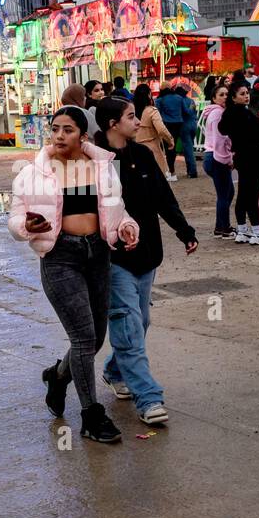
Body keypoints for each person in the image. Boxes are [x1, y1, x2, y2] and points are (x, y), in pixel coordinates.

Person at [9, 106, 138, 443]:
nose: (59, 135)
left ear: (82, 133)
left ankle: (58, 376)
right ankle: (92, 416)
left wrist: (126, 226)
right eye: (55, 129)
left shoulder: (101, 166)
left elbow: (116, 209)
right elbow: (15, 218)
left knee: (96, 338)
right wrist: (26, 225)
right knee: (82, 338)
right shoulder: (33, 171)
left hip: (97, 255)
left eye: (67, 129)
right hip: (60, 258)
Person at [93, 97, 196, 424]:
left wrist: (184, 230)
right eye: (131, 117)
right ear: (113, 124)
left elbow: (162, 197)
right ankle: (148, 398)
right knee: (128, 324)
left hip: (147, 252)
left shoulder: (141, 154)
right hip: (114, 256)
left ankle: (113, 370)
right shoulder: (95, 161)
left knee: (141, 322)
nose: (138, 122)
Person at [219, 82, 259, 245]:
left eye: (247, 93)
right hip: (252, 157)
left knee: (243, 194)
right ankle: (257, 231)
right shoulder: (243, 114)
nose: (246, 96)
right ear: (234, 97)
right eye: (242, 93)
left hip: (241, 157)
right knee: (251, 194)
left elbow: (223, 129)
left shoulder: (228, 113)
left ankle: (243, 230)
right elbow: (257, 134)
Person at [201, 83, 235, 239]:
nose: (225, 97)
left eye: (227, 94)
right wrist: (227, 159)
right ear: (214, 98)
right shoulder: (217, 114)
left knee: (227, 193)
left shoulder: (219, 112)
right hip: (216, 157)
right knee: (224, 194)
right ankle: (224, 228)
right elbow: (219, 140)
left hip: (214, 156)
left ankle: (220, 226)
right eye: (221, 94)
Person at [132, 83, 175, 179]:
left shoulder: (131, 113)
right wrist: (170, 140)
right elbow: (161, 129)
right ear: (148, 95)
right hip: (152, 150)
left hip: (135, 150)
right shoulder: (151, 110)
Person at [155, 84, 184, 175]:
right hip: (178, 124)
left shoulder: (160, 100)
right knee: (173, 146)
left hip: (166, 124)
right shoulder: (179, 98)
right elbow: (185, 111)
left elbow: (157, 113)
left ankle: (169, 170)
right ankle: (172, 170)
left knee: (166, 148)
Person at [176, 86, 200, 178]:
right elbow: (194, 112)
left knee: (188, 149)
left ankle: (192, 171)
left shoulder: (179, 101)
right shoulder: (191, 101)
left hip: (184, 126)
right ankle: (189, 170)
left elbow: (186, 112)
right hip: (193, 125)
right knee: (189, 148)